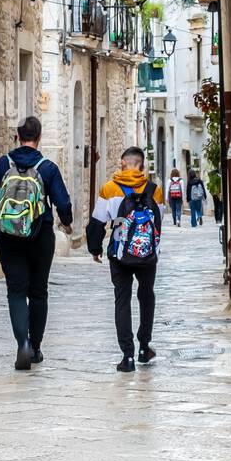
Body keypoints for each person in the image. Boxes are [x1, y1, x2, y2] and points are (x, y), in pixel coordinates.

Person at [0, 116, 73, 371]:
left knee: (15, 290)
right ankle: (35, 348)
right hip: (40, 236)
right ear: (39, 136)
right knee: (38, 291)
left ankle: (21, 342)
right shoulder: (47, 168)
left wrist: (8, 218)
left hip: (9, 237)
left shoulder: (4, 163)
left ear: (17, 136)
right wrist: (67, 222)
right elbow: (63, 203)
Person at [86, 147, 164, 373]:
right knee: (146, 296)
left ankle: (127, 356)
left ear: (122, 164)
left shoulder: (109, 189)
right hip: (147, 254)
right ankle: (144, 347)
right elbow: (157, 224)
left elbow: (98, 222)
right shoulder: (154, 191)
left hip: (119, 254)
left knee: (122, 300)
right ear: (141, 166)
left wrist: (95, 248)